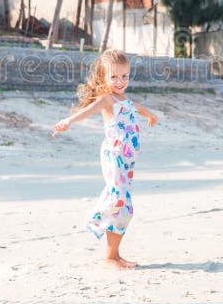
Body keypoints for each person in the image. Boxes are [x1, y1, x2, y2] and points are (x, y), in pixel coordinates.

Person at [53, 49, 159, 270]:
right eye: (114, 76)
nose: (120, 81)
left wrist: (150, 115)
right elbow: (88, 111)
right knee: (122, 205)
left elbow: (136, 107)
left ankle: (115, 255)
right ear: (103, 77)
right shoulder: (106, 99)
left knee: (122, 205)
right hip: (114, 156)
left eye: (124, 76)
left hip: (127, 161)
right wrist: (68, 121)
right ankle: (107, 246)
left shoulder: (124, 99)